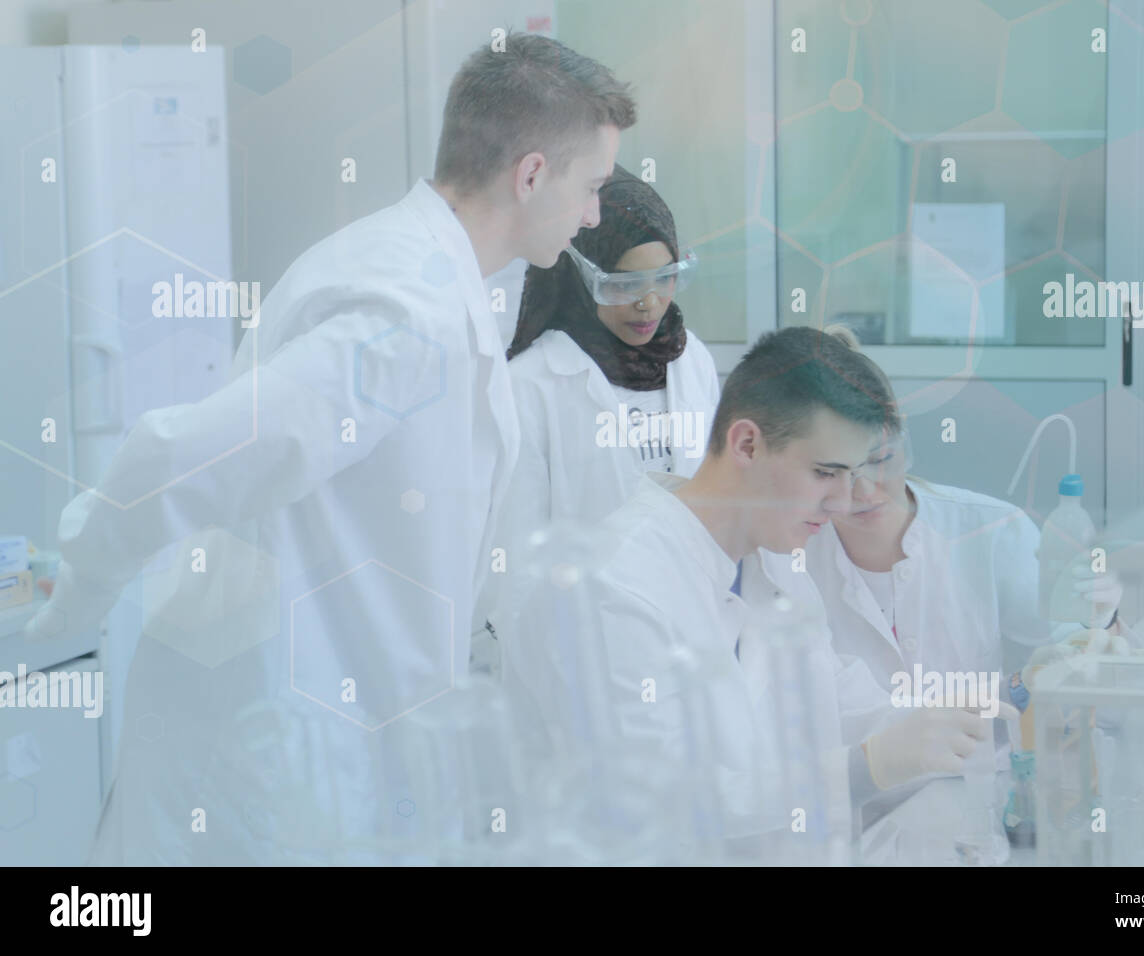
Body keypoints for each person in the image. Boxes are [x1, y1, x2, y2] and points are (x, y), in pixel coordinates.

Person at [26, 32, 635, 864]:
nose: (596, 214)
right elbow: (187, 455)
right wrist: (82, 583)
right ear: (531, 175)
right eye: (593, 186)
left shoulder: (450, 283)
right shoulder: (403, 311)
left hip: (340, 740)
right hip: (272, 760)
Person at [500, 327, 997, 859]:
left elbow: (842, 699)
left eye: (852, 474)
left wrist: (967, 718)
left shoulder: (775, 565)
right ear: (746, 444)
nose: (843, 502)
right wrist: (865, 765)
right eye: (825, 473)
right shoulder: (614, 586)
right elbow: (664, 804)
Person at [769, 324, 1131, 761]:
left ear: (904, 439)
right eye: (835, 471)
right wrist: (1014, 690)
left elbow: (1096, 692)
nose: (864, 491)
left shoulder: (992, 532)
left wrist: (1100, 623)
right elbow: (821, 722)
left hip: (979, 805)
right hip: (857, 808)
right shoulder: (783, 558)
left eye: (882, 459)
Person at [476, 166, 717, 663]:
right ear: (582, 273)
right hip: (583, 649)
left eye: (665, 279)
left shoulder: (692, 360)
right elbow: (516, 560)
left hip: (689, 631)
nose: (649, 303)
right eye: (624, 285)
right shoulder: (534, 384)